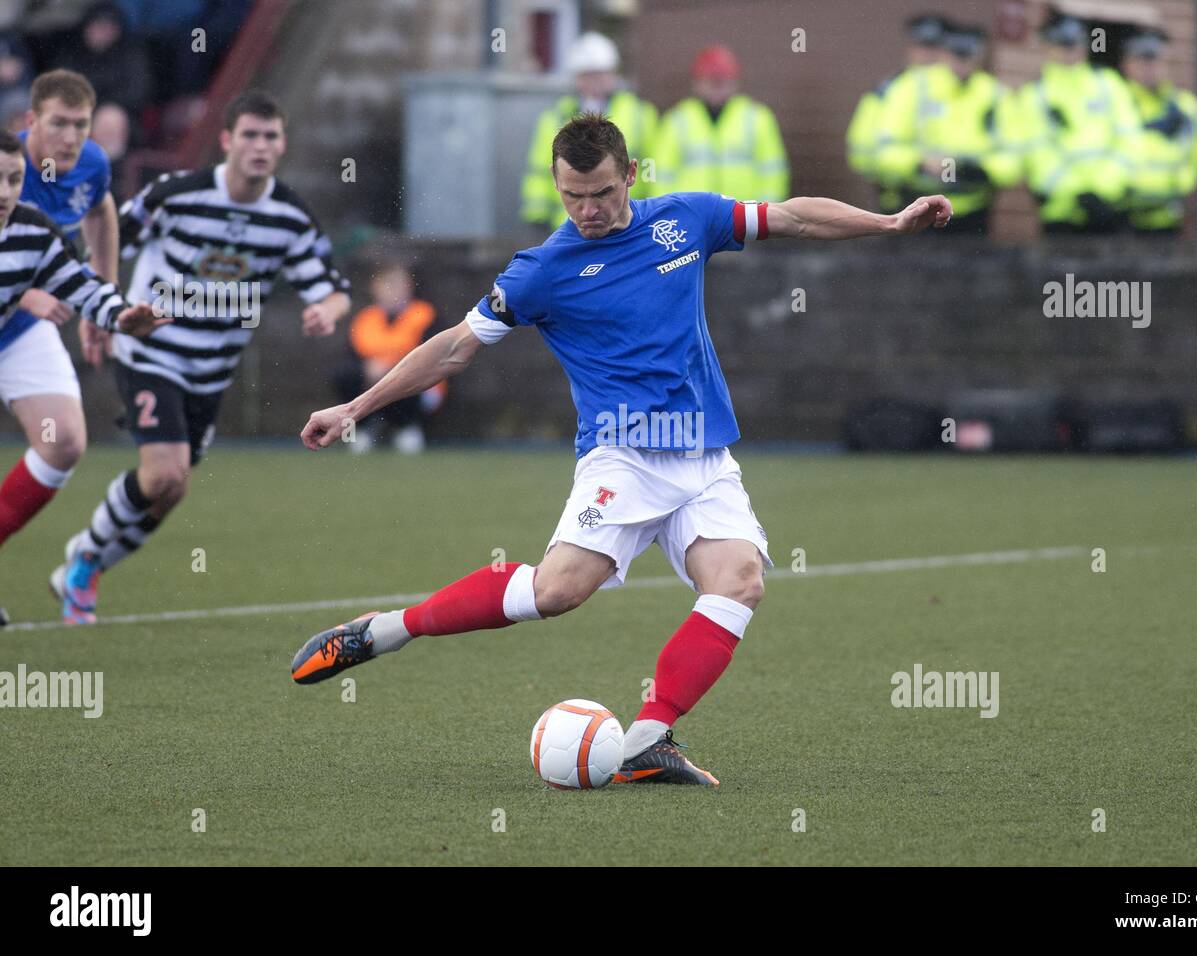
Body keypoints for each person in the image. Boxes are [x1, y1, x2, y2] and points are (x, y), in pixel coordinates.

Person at [291, 114, 951, 786]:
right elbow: (454, 348)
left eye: (602, 192)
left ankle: (646, 740)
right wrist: (354, 408)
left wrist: (889, 223)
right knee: (555, 593)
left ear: (630, 175)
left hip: (705, 460)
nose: (589, 210)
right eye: (573, 196)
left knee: (740, 582)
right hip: (623, 458)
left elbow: (794, 217)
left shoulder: (685, 221)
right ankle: (387, 629)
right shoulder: (541, 271)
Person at [51, 91, 351, 624]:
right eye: (251, 135)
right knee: (163, 472)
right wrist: (101, 310)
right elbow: (106, 237)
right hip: (150, 352)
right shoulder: (177, 193)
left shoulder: (289, 216)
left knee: (171, 490)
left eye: (271, 136)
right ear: (227, 141)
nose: (260, 146)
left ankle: (87, 564)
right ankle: (85, 561)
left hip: (212, 374)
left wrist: (326, 311)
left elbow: (332, 288)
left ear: (282, 144)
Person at [0, 127, 164, 624]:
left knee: (65, 439)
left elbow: (81, 284)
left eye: (12, 180)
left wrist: (119, 315)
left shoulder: (31, 230)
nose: (4, 193)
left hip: (14, 334)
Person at [0, 71, 121, 608]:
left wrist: (105, 290)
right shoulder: (9, 172)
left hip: (18, 333)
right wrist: (27, 294)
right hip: (22, 307)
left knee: (64, 440)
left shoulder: (92, 164)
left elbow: (100, 210)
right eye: (58, 124)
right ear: (30, 122)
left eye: (81, 124)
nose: (71, 137)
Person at [870, 22, 1020, 235]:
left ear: (981, 56)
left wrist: (978, 170)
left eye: (968, 56)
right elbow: (884, 149)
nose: (961, 63)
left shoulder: (995, 95)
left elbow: (1013, 156)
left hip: (973, 208)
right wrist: (920, 163)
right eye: (956, 54)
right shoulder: (911, 88)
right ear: (943, 53)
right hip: (918, 207)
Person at [1011, 14, 1141, 233]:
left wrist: (1103, 189)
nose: (1071, 51)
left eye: (1076, 43)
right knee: (1064, 268)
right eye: (1063, 44)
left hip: (1110, 206)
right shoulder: (1033, 95)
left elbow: (1130, 138)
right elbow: (1037, 152)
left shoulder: (1108, 83)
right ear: (1047, 47)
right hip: (1061, 212)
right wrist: (1077, 194)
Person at [521, 32, 657, 230]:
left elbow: (653, 168)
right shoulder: (554, 117)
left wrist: (652, 211)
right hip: (570, 225)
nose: (595, 81)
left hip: (628, 223)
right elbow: (539, 169)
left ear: (612, 75)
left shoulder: (639, 115)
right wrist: (537, 214)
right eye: (588, 75)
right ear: (577, 78)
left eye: (600, 74)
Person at [650, 44, 788, 201]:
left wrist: (764, 216)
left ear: (734, 82)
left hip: (745, 218)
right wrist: (670, 214)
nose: (717, 87)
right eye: (711, 81)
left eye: (722, 81)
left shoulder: (758, 119)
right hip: (692, 220)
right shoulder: (676, 121)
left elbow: (774, 174)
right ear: (697, 83)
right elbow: (661, 175)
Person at [338, 260, 445, 454]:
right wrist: (367, 368)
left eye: (397, 284)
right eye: (386, 284)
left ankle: (408, 427)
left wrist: (391, 369)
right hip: (373, 383)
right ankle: (359, 431)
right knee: (345, 376)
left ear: (409, 286)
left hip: (416, 389)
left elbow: (435, 358)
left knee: (405, 380)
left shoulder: (425, 314)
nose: (392, 290)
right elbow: (350, 357)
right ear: (374, 288)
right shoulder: (365, 318)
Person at [846, 13, 949, 211]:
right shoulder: (887, 91)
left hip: (954, 202)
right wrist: (913, 165)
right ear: (910, 48)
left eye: (934, 47)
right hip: (897, 196)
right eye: (922, 46)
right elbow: (862, 150)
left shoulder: (960, 93)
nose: (927, 55)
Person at [1120, 27, 1197, 236]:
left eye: (1156, 61)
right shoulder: (1115, 103)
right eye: (1141, 61)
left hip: (1169, 218)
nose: (1149, 68)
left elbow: (1196, 162)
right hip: (1120, 216)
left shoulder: (1186, 108)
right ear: (1126, 65)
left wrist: (1177, 192)